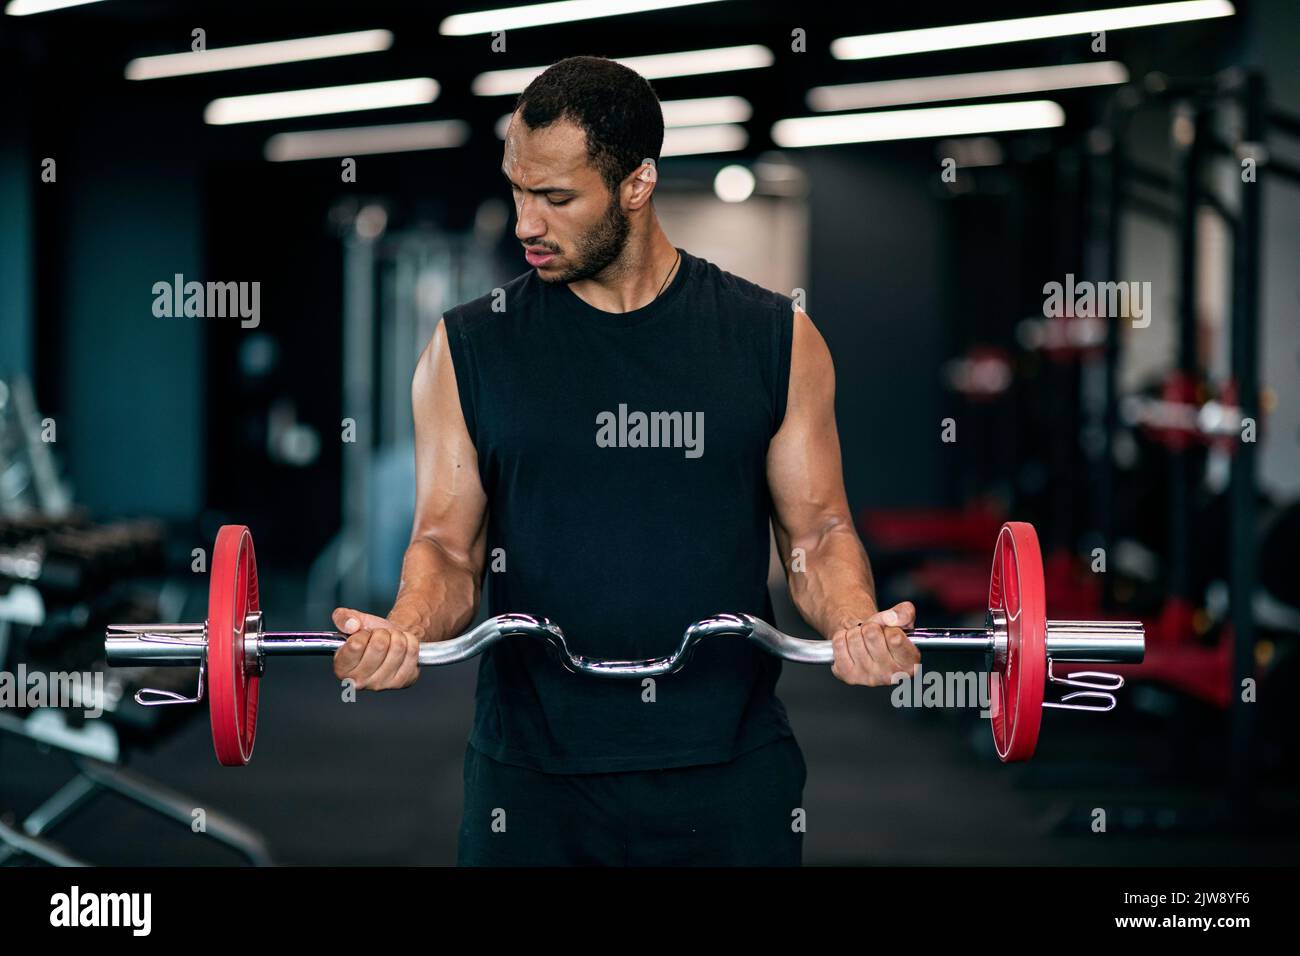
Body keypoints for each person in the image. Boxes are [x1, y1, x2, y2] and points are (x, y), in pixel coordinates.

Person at [331, 55, 919, 866]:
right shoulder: (468, 348)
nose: (526, 222)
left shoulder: (774, 338)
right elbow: (446, 546)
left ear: (637, 184)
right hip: (533, 779)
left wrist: (854, 618)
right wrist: (406, 627)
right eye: (517, 189)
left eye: (556, 197)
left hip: (727, 769)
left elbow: (816, 530)